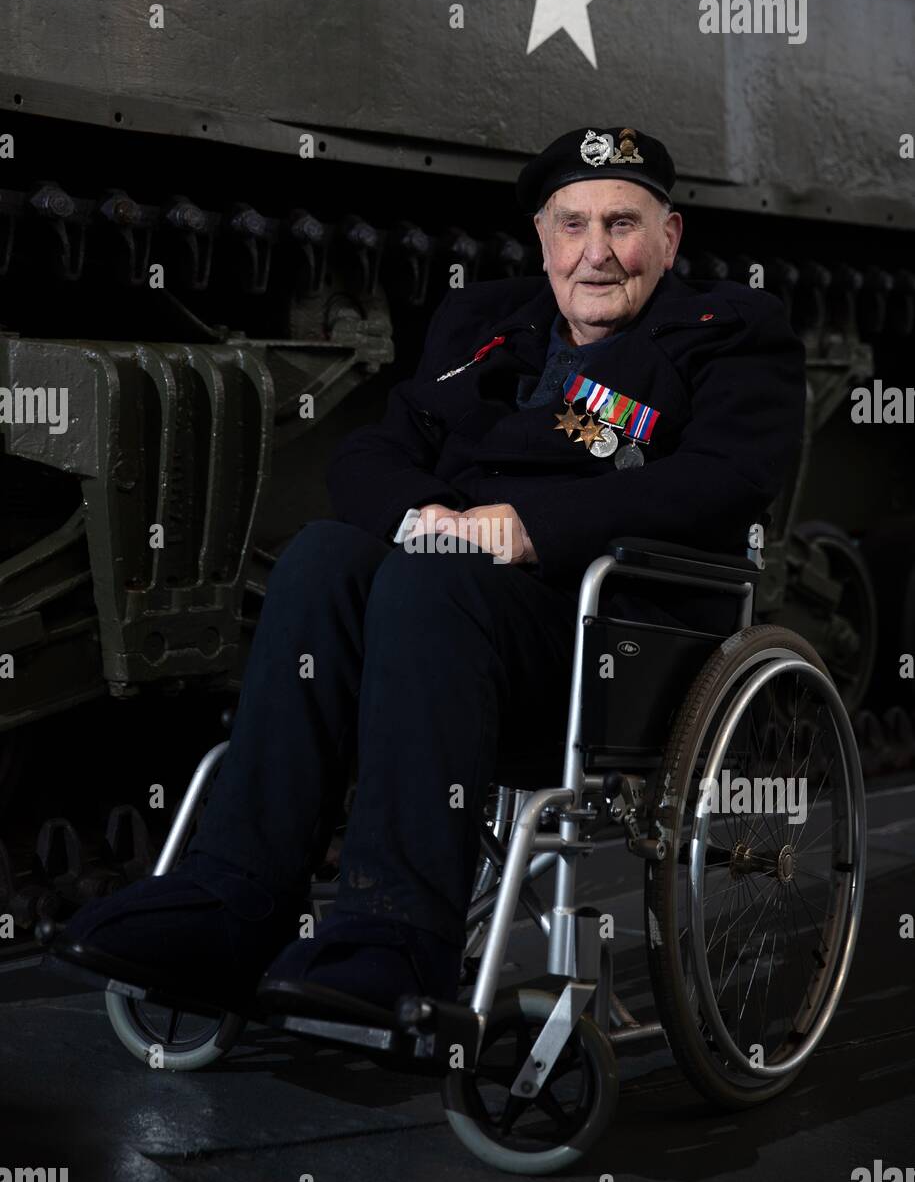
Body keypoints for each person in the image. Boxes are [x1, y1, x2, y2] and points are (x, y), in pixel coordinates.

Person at [47, 126, 806, 1027]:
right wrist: (424, 517)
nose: (595, 253)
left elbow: (724, 481)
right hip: (449, 624)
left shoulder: (730, 333)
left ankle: (393, 940)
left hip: (605, 633)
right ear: (541, 235)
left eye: (621, 224)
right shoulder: (480, 323)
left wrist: (532, 527)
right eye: (572, 224)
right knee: (324, 557)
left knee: (423, 583)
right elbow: (375, 449)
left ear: (669, 238)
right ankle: (232, 903)